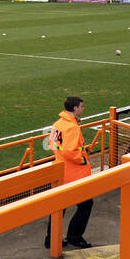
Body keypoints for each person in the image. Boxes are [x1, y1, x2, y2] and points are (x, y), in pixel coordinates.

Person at [43, 95, 94, 249]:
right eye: (81, 107)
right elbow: (71, 152)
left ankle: (51, 239)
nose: (83, 109)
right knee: (86, 205)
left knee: (59, 206)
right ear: (75, 108)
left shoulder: (58, 124)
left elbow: (53, 145)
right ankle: (75, 236)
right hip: (74, 174)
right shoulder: (73, 128)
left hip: (60, 171)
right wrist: (83, 159)